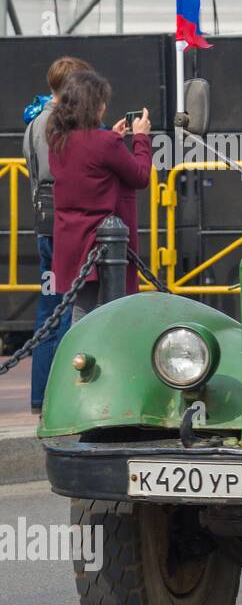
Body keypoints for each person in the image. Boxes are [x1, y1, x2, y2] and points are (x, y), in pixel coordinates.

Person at [46, 71, 152, 323]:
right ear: (93, 105)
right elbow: (140, 176)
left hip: (71, 240)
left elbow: (89, 164)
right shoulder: (104, 143)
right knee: (112, 315)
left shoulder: (58, 139)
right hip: (104, 244)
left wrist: (113, 138)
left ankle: (77, 361)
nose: (105, 106)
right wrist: (140, 138)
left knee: (81, 312)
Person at [22, 56, 91, 413]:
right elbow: (59, 173)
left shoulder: (34, 121)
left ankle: (40, 394)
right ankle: (63, 393)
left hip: (42, 223)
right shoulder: (58, 123)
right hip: (62, 225)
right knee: (67, 308)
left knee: (49, 307)